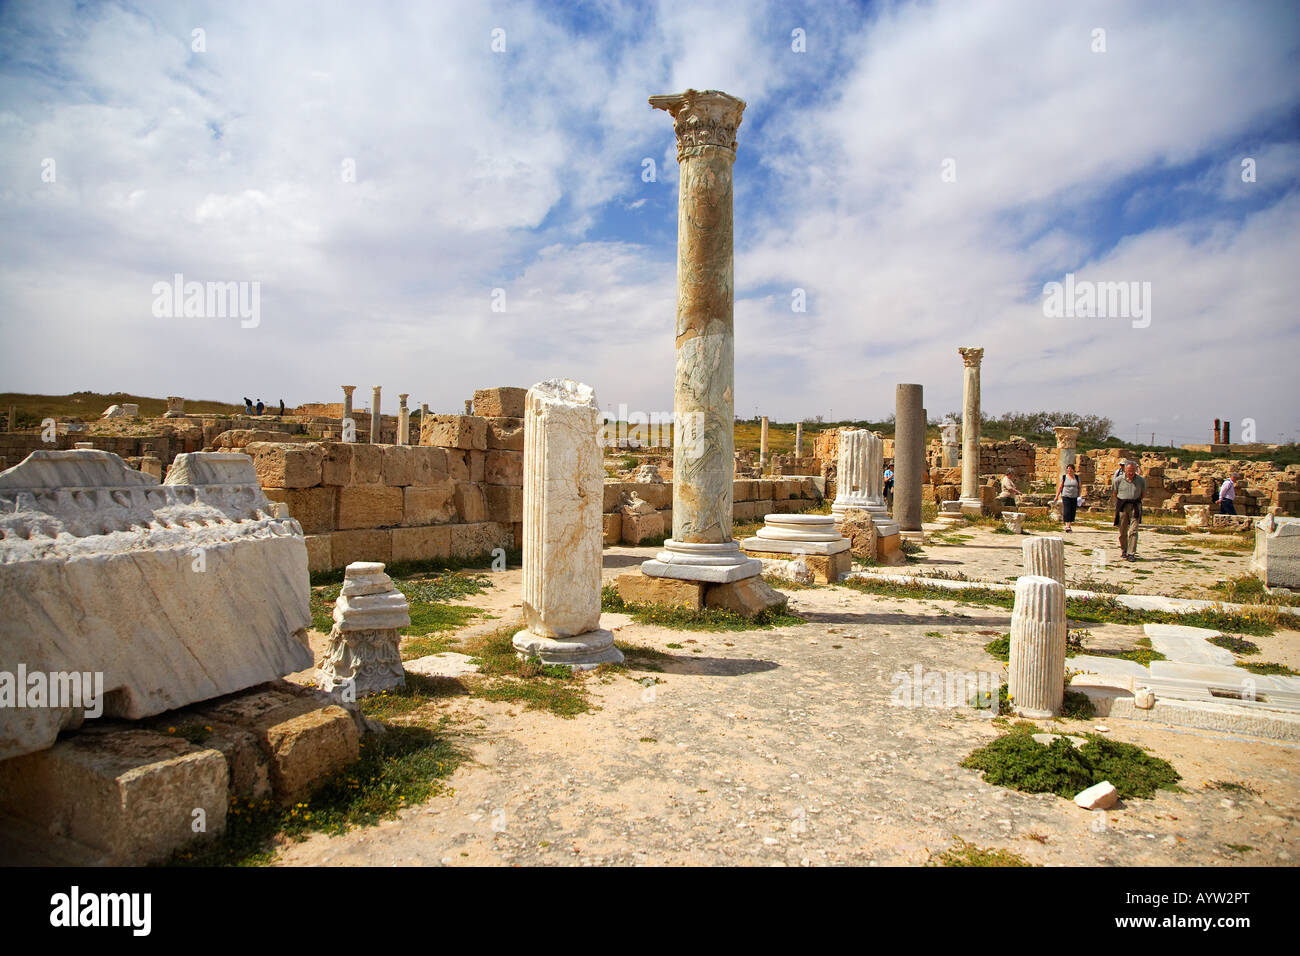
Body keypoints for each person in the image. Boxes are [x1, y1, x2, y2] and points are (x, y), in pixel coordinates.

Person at [1112, 461, 1146, 561]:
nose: (1131, 473)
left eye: (1132, 471)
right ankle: (1124, 550)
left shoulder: (1141, 480)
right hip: (1122, 506)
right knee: (1122, 530)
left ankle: (1131, 553)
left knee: (1133, 530)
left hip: (1135, 506)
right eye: (1129, 471)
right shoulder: (1118, 480)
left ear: (1135, 470)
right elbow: (1115, 493)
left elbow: (1143, 494)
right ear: (1125, 470)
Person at [1054, 462, 1081, 532]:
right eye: (1068, 469)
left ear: (1073, 470)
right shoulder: (1064, 477)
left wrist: (1079, 496)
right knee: (1067, 510)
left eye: (1070, 469)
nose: (1069, 471)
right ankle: (1067, 525)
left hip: (1074, 496)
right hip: (1066, 495)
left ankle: (1069, 525)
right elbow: (1060, 487)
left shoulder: (1077, 477)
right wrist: (1057, 496)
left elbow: (1079, 487)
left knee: (1072, 511)